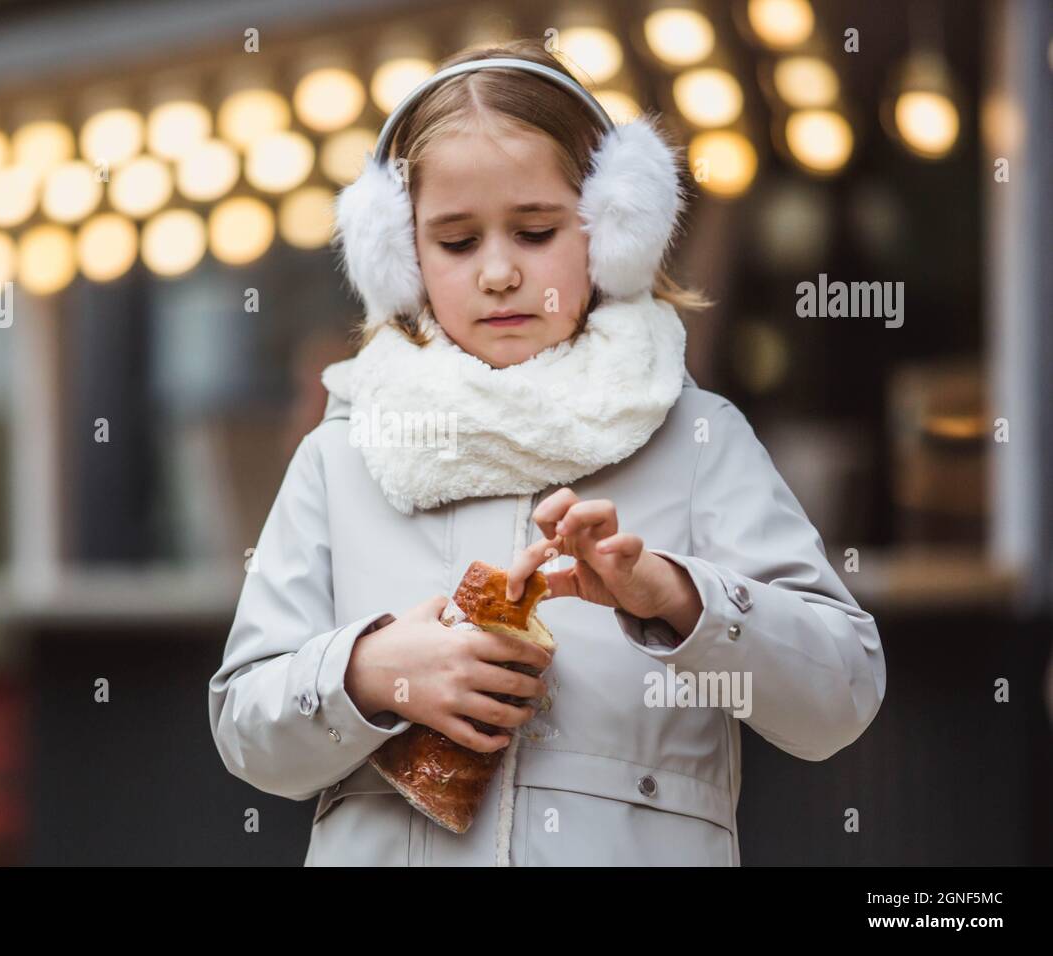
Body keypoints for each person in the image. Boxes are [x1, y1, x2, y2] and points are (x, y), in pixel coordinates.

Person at [208, 39, 886, 866]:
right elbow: (244, 728)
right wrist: (372, 671)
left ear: (612, 232)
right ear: (401, 255)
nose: (498, 273)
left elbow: (840, 697)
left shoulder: (698, 437)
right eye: (456, 243)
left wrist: (676, 596)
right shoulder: (340, 454)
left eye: (534, 231)